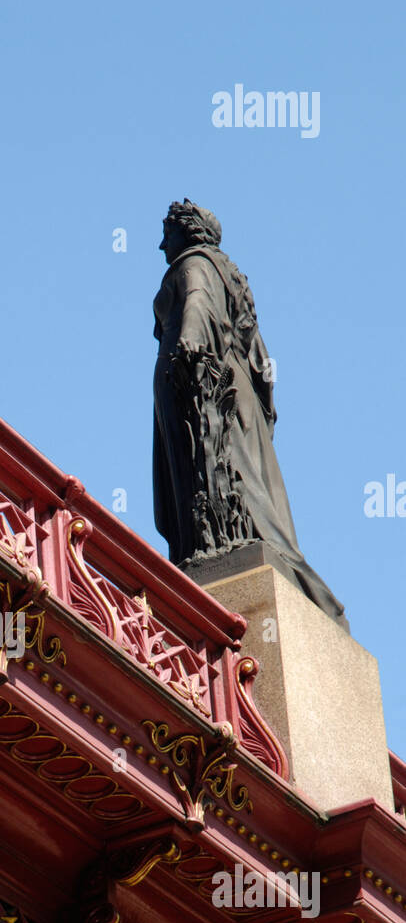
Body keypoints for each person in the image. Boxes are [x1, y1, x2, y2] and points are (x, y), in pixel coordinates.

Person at [152, 199, 346, 627]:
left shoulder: (193, 264)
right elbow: (260, 356)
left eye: (167, 232)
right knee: (248, 480)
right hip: (233, 384)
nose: (160, 243)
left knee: (222, 472)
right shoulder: (230, 272)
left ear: (187, 232)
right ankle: (247, 548)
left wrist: (188, 344)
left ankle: (215, 548)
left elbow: (197, 304)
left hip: (202, 380)